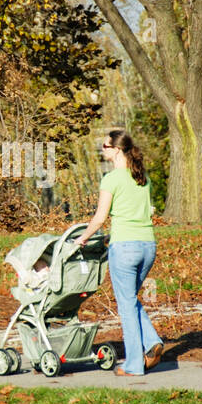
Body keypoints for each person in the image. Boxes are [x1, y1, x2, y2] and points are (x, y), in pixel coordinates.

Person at [77, 128, 162, 377]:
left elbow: (100, 217)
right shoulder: (142, 177)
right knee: (130, 300)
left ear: (116, 150)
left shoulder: (111, 179)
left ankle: (134, 365)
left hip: (124, 248)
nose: (102, 150)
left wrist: (82, 238)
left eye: (105, 146)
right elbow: (145, 212)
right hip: (147, 245)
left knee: (126, 306)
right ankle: (153, 341)